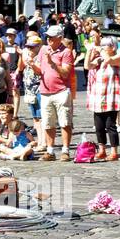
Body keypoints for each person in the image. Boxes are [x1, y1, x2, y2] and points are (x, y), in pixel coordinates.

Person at [33, 25, 75, 161]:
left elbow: (66, 73)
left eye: (52, 37)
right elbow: (39, 71)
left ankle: (65, 150)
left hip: (61, 91)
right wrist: (32, 65)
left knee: (65, 122)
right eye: (48, 37)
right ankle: (50, 151)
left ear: (60, 38)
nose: (49, 39)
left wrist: (53, 64)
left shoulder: (66, 52)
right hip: (45, 92)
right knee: (47, 123)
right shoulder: (43, 49)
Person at [86, 35, 120, 162]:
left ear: (113, 47)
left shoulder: (117, 57)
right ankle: (102, 149)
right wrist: (89, 51)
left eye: (105, 45)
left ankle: (114, 152)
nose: (102, 47)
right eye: (102, 45)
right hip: (98, 96)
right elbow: (87, 66)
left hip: (111, 96)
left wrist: (100, 50)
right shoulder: (100, 59)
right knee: (98, 126)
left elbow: (109, 60)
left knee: (110, 125)